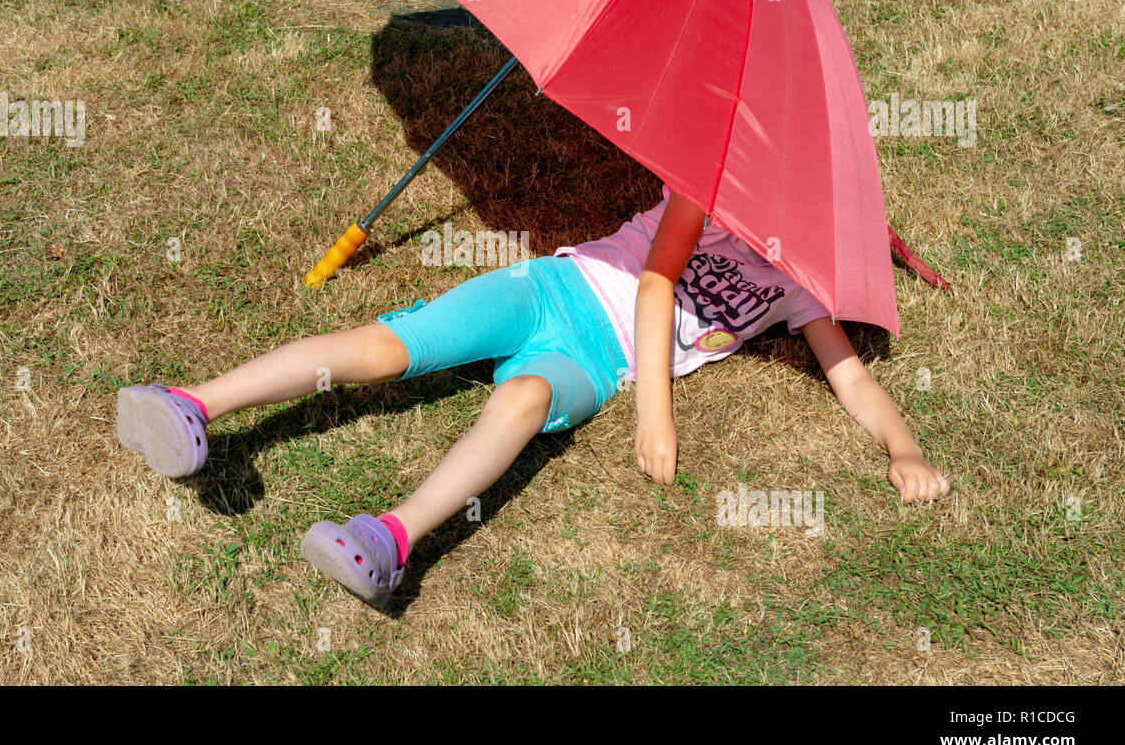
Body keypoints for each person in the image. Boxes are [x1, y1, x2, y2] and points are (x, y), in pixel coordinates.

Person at [116, 183, 948, 608]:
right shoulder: (712, 194)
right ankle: (193, 402)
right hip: (553, 288)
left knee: (516, 406)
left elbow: (853, 376)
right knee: (382, 350)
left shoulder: (799, 291)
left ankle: (390, 539)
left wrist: (902, 447)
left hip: (597, 362)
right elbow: (655, 283)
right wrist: (657, 413)